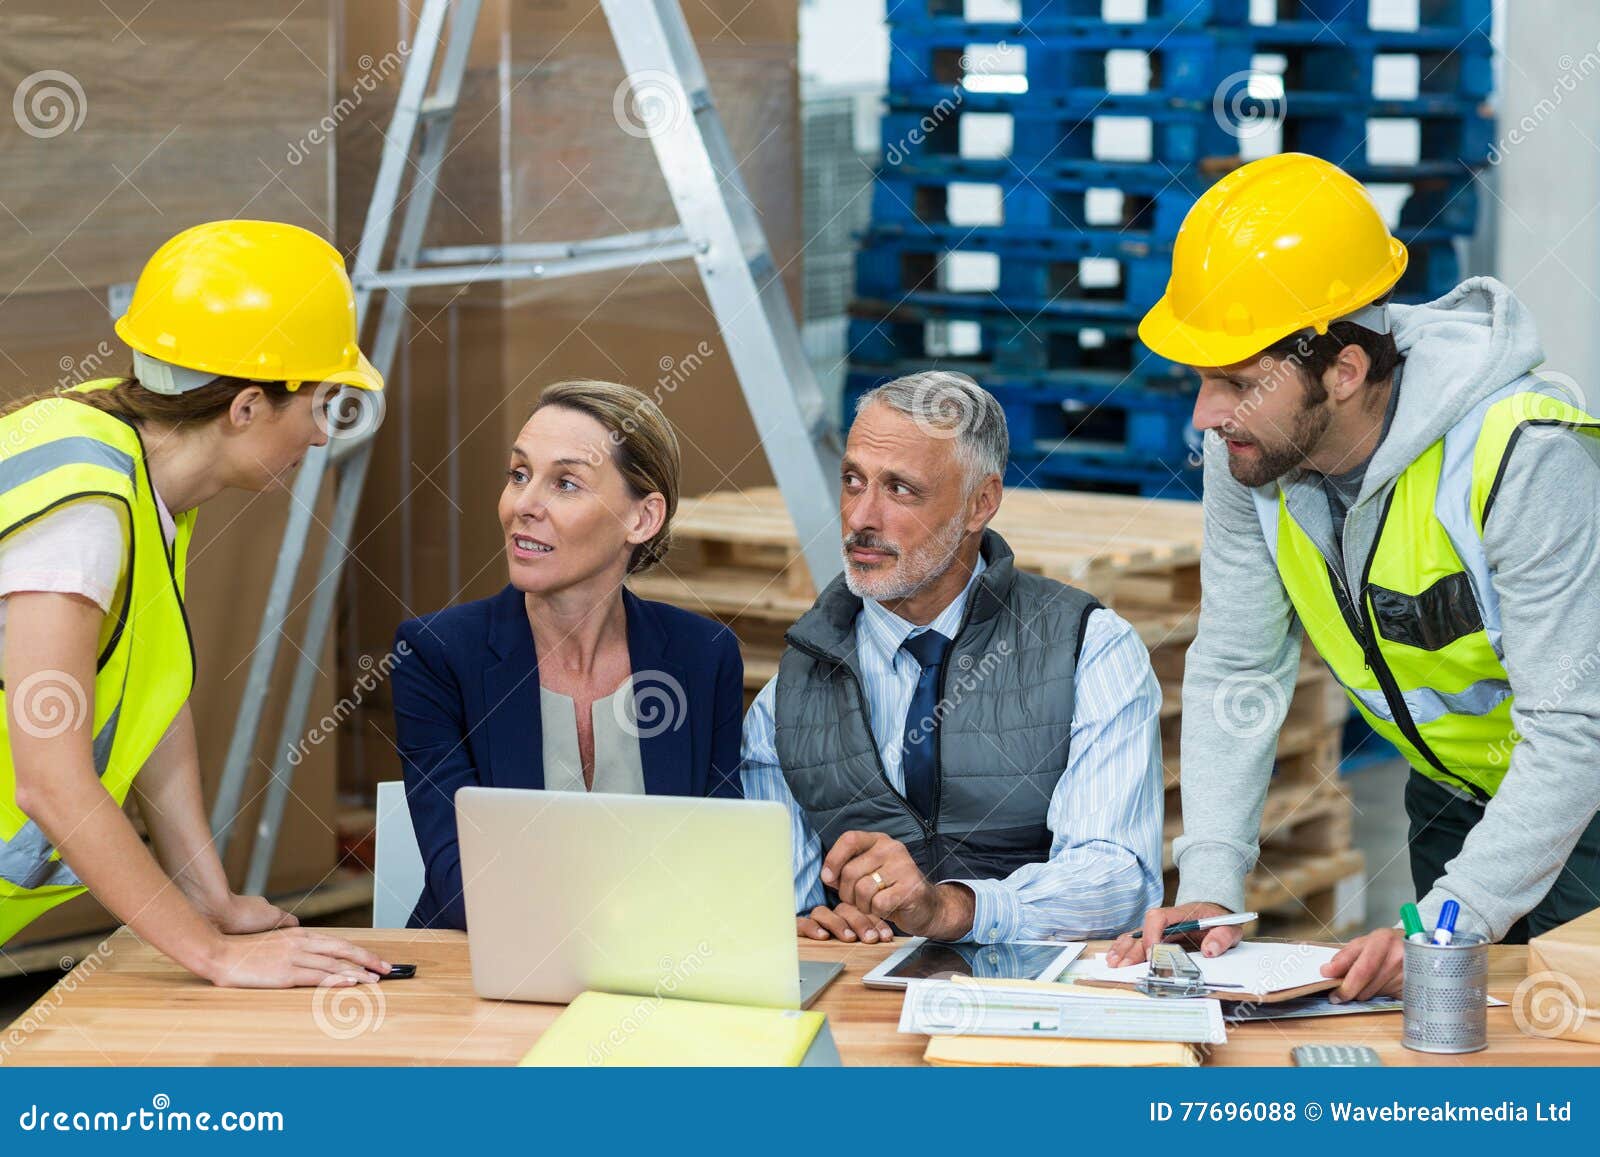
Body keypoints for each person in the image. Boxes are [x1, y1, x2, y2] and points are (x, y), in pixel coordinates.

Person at [1110, 152, 1600, 1000]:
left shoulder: (1523, 453)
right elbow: (1238, 663)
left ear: (1342, 370)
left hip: (1585, 796)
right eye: (1200, 381)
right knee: (1457, 1055)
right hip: (1452, 791)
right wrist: (1211, 883)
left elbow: (1575, 723)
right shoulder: (1248, 459)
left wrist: (1455, 917)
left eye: (1234, 383)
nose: (1204, 415)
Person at [0, 220, 393, 988]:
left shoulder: (142, 470)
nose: (319, 435)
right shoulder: (82, 512)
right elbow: (49, 778)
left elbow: (147, 700)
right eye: (319, 404)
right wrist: (214, 956)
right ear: (246, 407)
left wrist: (207, 897)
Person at [741, 371, 1165, 946]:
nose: (861, 518)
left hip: (1043, 1002)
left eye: (900, 490)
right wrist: (810, 921)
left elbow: (1118, 881)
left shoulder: (1088, 649)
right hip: (867, 1001)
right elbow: (779, 910)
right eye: (852, 480)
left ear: (979, 503)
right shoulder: (790, 693)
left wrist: (952, 909)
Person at [392, 379, 745, 930]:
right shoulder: (437, 654)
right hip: (480, 976)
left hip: (656, 979)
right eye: (518, 475)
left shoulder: (704, 656)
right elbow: (462, 878)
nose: (523, 506)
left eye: (566, 483)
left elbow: (718, 858)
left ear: (643, 518)